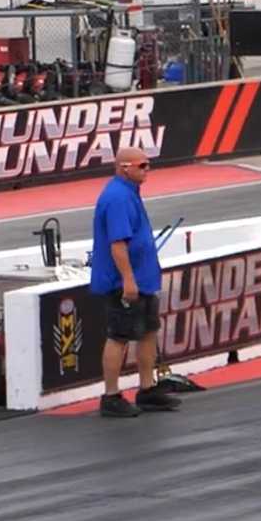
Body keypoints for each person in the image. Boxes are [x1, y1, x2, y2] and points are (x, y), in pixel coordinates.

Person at [91, 147, 178, 418]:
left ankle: (147, 388)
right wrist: (128, 280)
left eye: (148, 165)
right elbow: (117, 244)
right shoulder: (117, 197)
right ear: (124, 167)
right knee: (118, 336)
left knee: (149, 331)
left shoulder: (129, 193)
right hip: (124, 282)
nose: (147, 170)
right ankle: (111, 395)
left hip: (144, 278)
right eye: (142, 165)